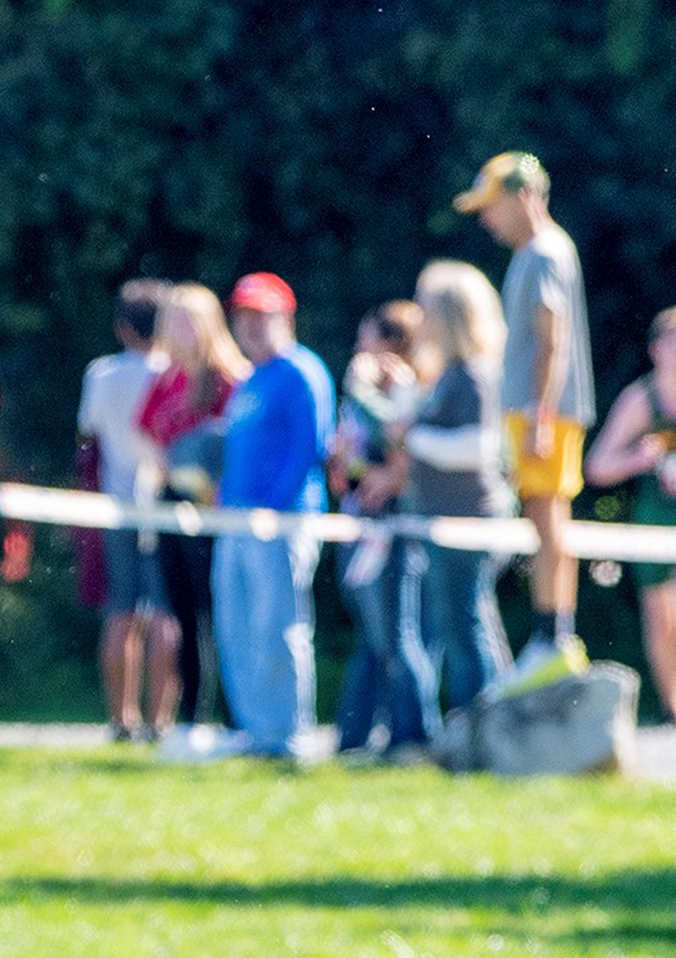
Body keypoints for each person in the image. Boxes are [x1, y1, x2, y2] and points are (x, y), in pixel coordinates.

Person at [454, 152, 596, 694]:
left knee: (548, 516)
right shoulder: (538, 252)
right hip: (538, 411)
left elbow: (550, 335)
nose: (488, 218)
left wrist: (539, 412)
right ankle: (552, 632)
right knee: (543, 514)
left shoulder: (543, 251)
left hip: (545, 413)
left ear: (524, 196)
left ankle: (553, 634)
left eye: (493, 206)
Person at [212, 272, 335, 760]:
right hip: (237, 523)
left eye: (261, 316)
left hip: (282, 524)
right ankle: (255, 730)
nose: (250, 326)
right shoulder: (253, 378)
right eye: (243, 316)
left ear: (286, 318)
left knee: (277, 628)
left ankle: (287, 735)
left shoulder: (301, 371)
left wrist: (273, 507)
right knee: (237, 627)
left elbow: (311, 446)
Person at [586, 303, 676, 726]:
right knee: (660, 619)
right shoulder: (641, 398)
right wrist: (636, 461)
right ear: (655, 349)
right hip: (657, 515)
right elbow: (597, 467)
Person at [401, 259, 516, 709]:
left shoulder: (473, 374)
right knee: (466, 624)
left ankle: (481, 727)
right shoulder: (450, 374)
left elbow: (478, 448)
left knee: (467, 628)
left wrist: (413, 437)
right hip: (448, 518)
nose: (416, 315)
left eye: (425, 306)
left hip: (471, 519)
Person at [136, 283, 248, 728]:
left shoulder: (229, 377)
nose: (180, 328)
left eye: (189, 318)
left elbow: (238, 445)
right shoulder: (166, 378)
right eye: (174, 318)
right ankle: (193, 716)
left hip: (216, 510)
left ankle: (236, 716)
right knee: (182, 614)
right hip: (172, 506)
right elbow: (146, 432)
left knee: (219, 612)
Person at [328, 302, 437, 760]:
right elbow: (341, 474)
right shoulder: (361, 397)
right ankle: (358, 738)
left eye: (367, 339)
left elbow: (406, 456)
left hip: (396, 531)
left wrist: (365, 392)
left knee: (397, 637)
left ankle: (415, 736)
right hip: (358, 525)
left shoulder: (411, 392)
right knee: (377, 639)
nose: (358, 349)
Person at [77, 278, 177, 741]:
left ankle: (121, 717)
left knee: (119, 612)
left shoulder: (101, 373)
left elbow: (90, 433)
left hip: (114, 505)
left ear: (122, 326)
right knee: (163, 610)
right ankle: (161, 720)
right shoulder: (174, 373)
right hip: (162, 503)